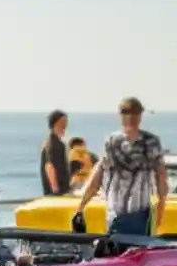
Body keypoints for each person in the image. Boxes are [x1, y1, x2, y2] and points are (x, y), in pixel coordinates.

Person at [74, 97, 168, 236]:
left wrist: (161, 206)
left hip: (140, 215)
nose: (130, 116)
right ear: (120, 116)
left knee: (136, 254)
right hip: (114, 214)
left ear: (140, 115)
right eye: (125, 112)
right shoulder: (112, 141)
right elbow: (98, 174)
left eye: (134, 112)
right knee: (115, 254)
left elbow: (161, 175)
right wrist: (81, 206)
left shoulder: (151, 142)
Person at [39, 110, 70, 195]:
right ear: (54, 124)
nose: (65, 126)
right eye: (62, 123)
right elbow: (49, 166)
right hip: (56, 193)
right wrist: (55, 190)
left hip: (62, 190)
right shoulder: (52, 144)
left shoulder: (59, 144)